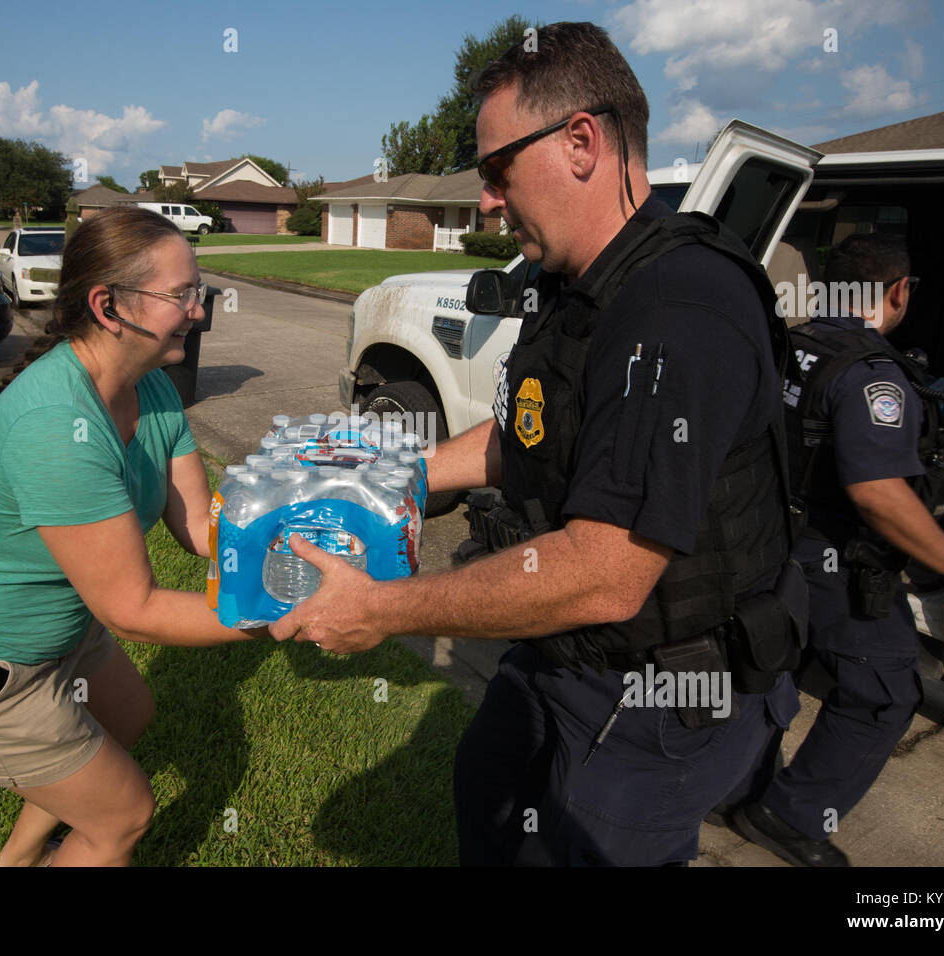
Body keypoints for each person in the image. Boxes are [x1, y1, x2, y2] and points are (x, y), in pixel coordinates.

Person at [270, 21, 805, 866]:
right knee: (487, 795)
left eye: (495, 171)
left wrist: (380, 609)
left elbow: (603, 571)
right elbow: (529, 433)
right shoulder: (576, 285)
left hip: (658, 691)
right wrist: (399, 471)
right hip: (563, 654)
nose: (485, 199)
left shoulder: (679, 309)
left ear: (581, 141)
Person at [0, 205, 260, 867]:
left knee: (128, 714)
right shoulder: (57, 424)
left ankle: (15, 860)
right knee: (124, 815)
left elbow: (199, 526)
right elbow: (133, 611)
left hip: (54, 631)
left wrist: (293, 530)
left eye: (202, 292)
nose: (199, 310)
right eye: (183, 295)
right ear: (110, 307)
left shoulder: (154, 388)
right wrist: (292, 615)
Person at [734, 233, 944, 865]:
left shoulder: (793, 344)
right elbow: (880, 495)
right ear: (896, 291)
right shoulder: (870, 376)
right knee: (884, 691)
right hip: (834, 559)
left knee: (766, 665)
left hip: (770, 542)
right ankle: (786, 816)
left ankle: (733, 786)